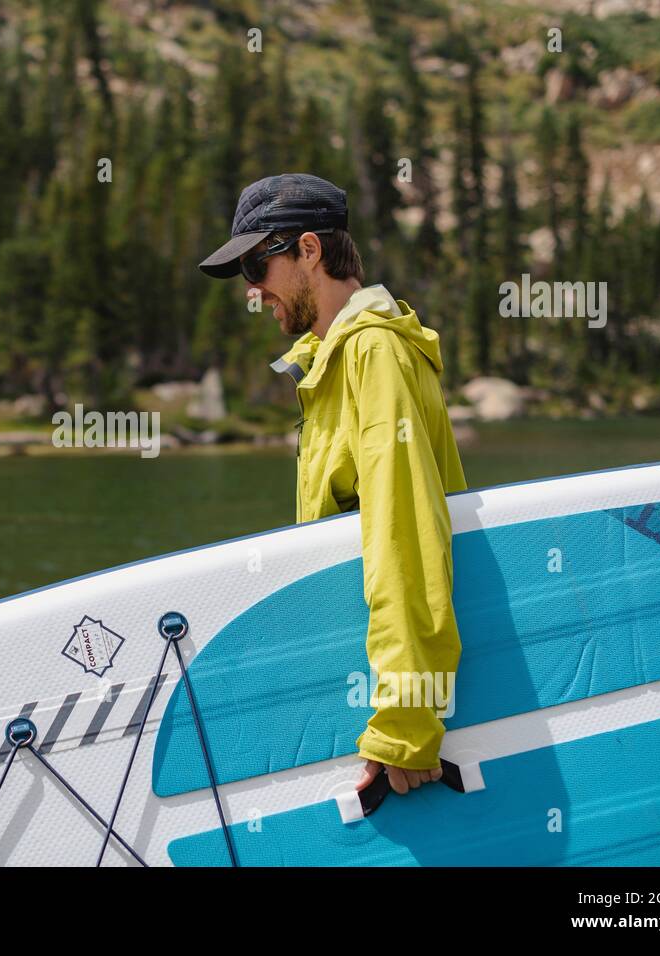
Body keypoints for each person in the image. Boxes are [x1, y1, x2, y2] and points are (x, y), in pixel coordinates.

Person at [198, 173, 468, 797]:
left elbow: (407, 538)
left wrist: (405, 723)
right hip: (352, 684)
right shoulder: (331, 360)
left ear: (310, 251)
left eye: (258, 267)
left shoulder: (373, 355)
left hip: (393, 720)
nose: (254, 292)